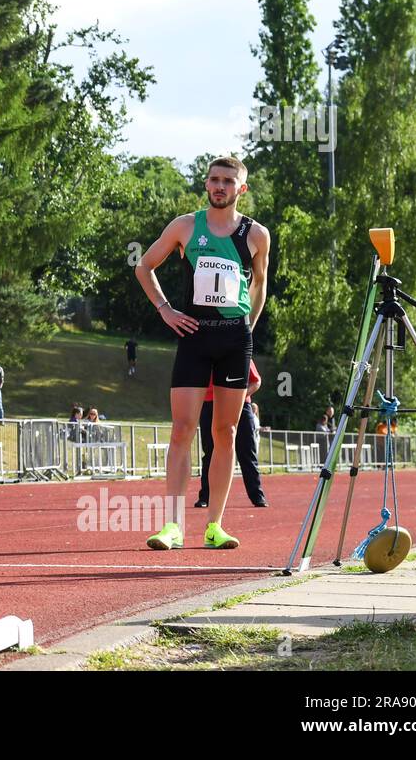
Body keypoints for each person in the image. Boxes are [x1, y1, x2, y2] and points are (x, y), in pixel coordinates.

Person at [135, 155, 270, 551]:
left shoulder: (256, 234)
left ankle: (215, 526)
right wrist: (165, 310)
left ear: (241, 188)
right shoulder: (185, 226)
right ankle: (173, 526)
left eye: (228, 181)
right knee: (182, 429)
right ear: (206, 184)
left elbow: (260, 284)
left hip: (234, 340)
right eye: (214, 179)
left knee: (225, 433)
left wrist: (248, 325)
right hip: (194, 336)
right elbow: (145, 266)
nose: (219, 186)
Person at [196, 359, 266, 508]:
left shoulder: (241, 351)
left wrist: (239, 397)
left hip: (240, 404)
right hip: (210, 403)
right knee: (210, 452)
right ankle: (205, 497)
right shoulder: (205, 352)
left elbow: (256, 381)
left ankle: (257, 496)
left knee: (247, 451)